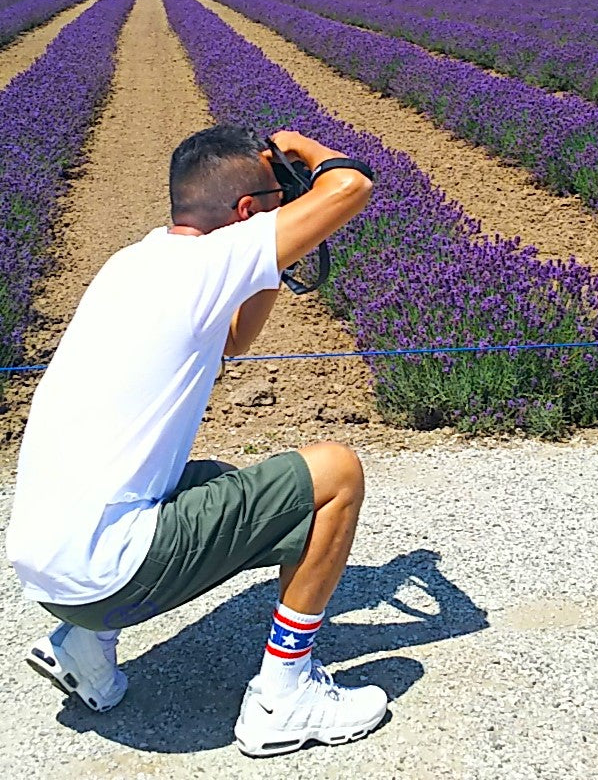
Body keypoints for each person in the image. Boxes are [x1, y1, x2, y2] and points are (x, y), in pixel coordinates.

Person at [7, 124, 386, 757]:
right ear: (246, 213)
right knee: (337, 475)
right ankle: (284, 698)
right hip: (107, 578)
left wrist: (274, 247)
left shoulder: (134, 261)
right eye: (274, 200)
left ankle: (83, 649)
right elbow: (351, 184)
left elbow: (235, 338)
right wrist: (300, 149)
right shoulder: (209, 263)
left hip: (46, 577)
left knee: (207, 479)